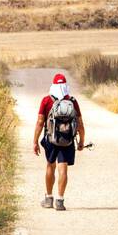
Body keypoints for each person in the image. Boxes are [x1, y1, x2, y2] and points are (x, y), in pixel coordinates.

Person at [33, 73, 85, 210]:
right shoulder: (72, 101)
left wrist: (35, 141)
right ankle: (60, 201)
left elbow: (40, 122)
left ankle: (49, 198)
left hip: (51, 139)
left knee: (50, 166)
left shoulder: (46, 100)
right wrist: (81, 141)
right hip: (67, 140)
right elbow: (80, 123)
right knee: (63, 168)